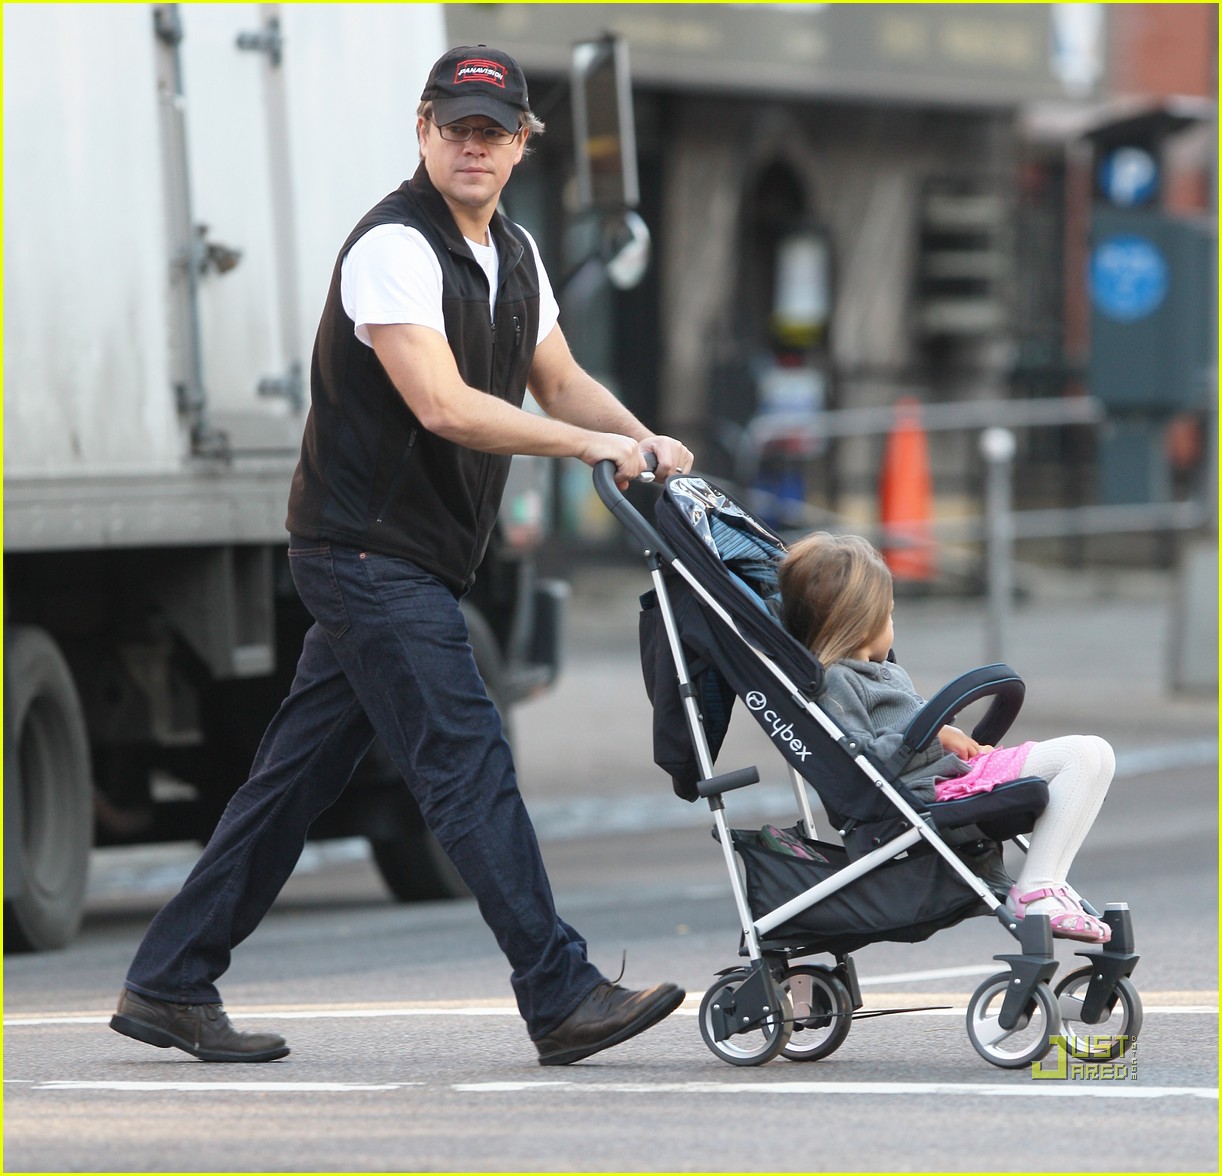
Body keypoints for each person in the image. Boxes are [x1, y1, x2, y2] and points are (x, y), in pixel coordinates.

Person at [110, 45, 693, 1067]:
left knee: (294, 779)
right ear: (422, 130)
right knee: (465, 758)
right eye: (455, 126)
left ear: (522, 144)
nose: (473, 146)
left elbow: (558, 384)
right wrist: (597, 448)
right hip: (364, 554)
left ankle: (168, 979)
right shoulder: (393, 246)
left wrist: (644, 441)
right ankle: (558, 992)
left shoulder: (514, 252)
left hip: (419, 557)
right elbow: (444, 406)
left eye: (494, 130)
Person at [778, 531, 1114, 944]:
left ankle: (1049, 884)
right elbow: (857, 759)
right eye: (889, 616)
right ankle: (1037, 890)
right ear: (863, 624)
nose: (892, 626)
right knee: (1082, 756)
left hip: (956, 774)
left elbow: (917, 727)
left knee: (1096, 755)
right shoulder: (837, 681)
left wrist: (954, 740)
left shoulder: (887, 672)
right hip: (930, 790)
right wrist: (935, 736)